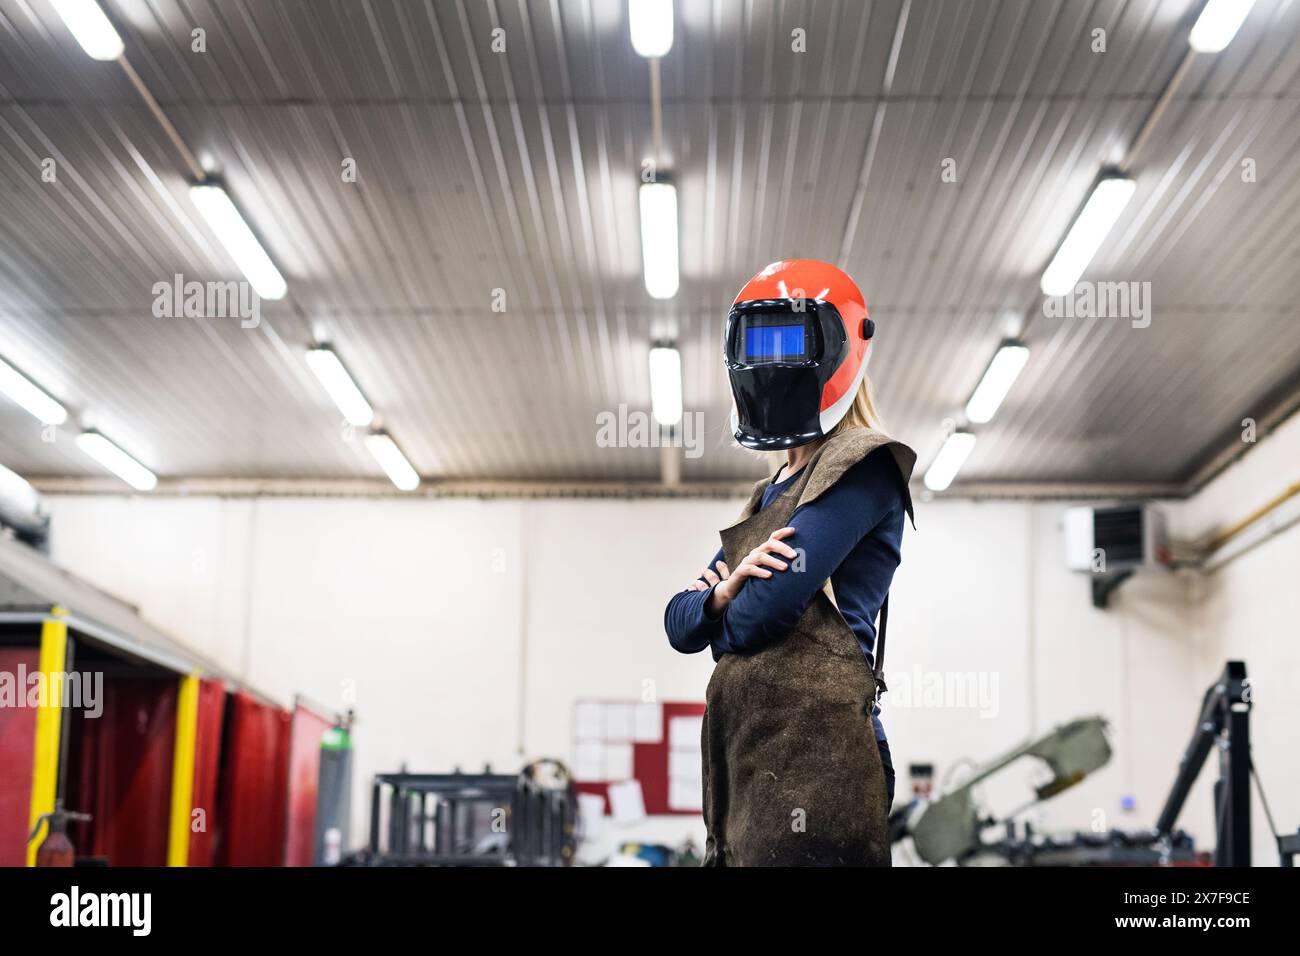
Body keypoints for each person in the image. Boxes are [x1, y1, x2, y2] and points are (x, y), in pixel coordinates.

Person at [663, 259, 915, 867]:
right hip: (751, 763)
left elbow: (766, 611)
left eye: (788, 344)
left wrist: (722, 609)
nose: (773, 364)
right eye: (759, 345)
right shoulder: (769, 493)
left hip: (821, 764)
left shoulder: (864, 465)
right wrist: (722, 596)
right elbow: (678, 624)